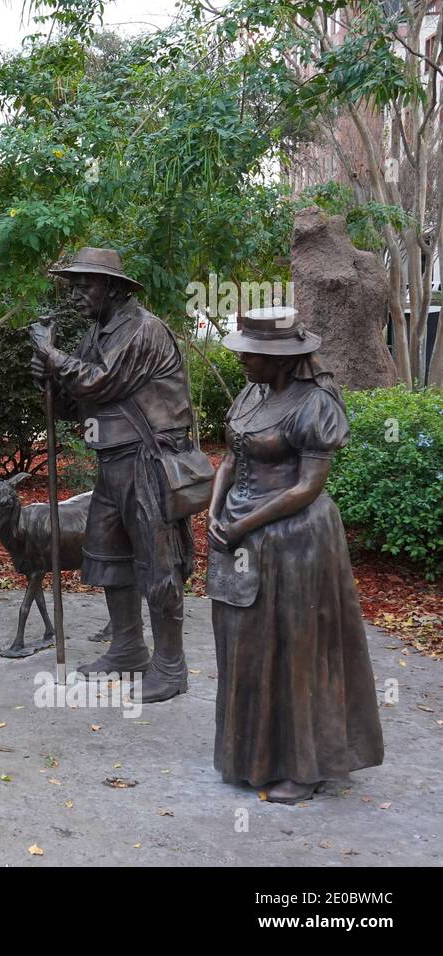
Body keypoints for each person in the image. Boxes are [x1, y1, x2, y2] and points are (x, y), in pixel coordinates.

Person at [207, 307, 383, 803]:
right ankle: (253, 755)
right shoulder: (250, 393)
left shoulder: (315, 404)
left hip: (297, 540)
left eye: (253, 352)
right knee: (245, 646)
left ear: (281, 359)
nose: (242, 357)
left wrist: (242, 524)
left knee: (295, 650)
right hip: (241, 535)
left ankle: (304, 767)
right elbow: (229, 458)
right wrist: (215, 510)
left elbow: (308, 486)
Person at [27, 248, 195, 702]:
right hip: (113, 462)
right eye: (74, 286)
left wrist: (53, 357)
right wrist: (46, 374)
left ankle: (170, 666)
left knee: (157, 564)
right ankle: (127, 647)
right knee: (108, 554)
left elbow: (99, 381)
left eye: (86, 285)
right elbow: (75, 401)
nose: (78, 294)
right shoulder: (97, 332)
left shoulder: (144, 329)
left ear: (114, 288)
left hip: (148, 460)